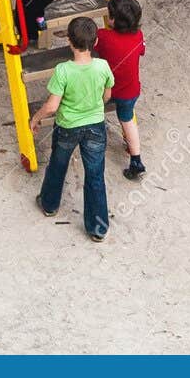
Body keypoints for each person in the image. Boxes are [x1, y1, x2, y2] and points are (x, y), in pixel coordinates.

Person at [32, 16, 113, 241]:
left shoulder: (63, 70)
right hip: (95, 125)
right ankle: (98, 228)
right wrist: (95, 107)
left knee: (58, 165)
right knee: (95, 175)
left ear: (69, 40)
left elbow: (51, 106)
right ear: (95, 42)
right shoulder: (102, 66)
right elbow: (107, 95)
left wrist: (35, 119)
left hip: (68, 126)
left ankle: (49, 204)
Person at [94, 0, 147, 180]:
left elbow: (92, 47)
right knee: (127, 120)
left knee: (95, 107)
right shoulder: (138, 35)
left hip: (110, 90)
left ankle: (94, 136)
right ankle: (135, 157)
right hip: (131, 91)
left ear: (113, 20)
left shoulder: (104, 36)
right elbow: (141, 51)